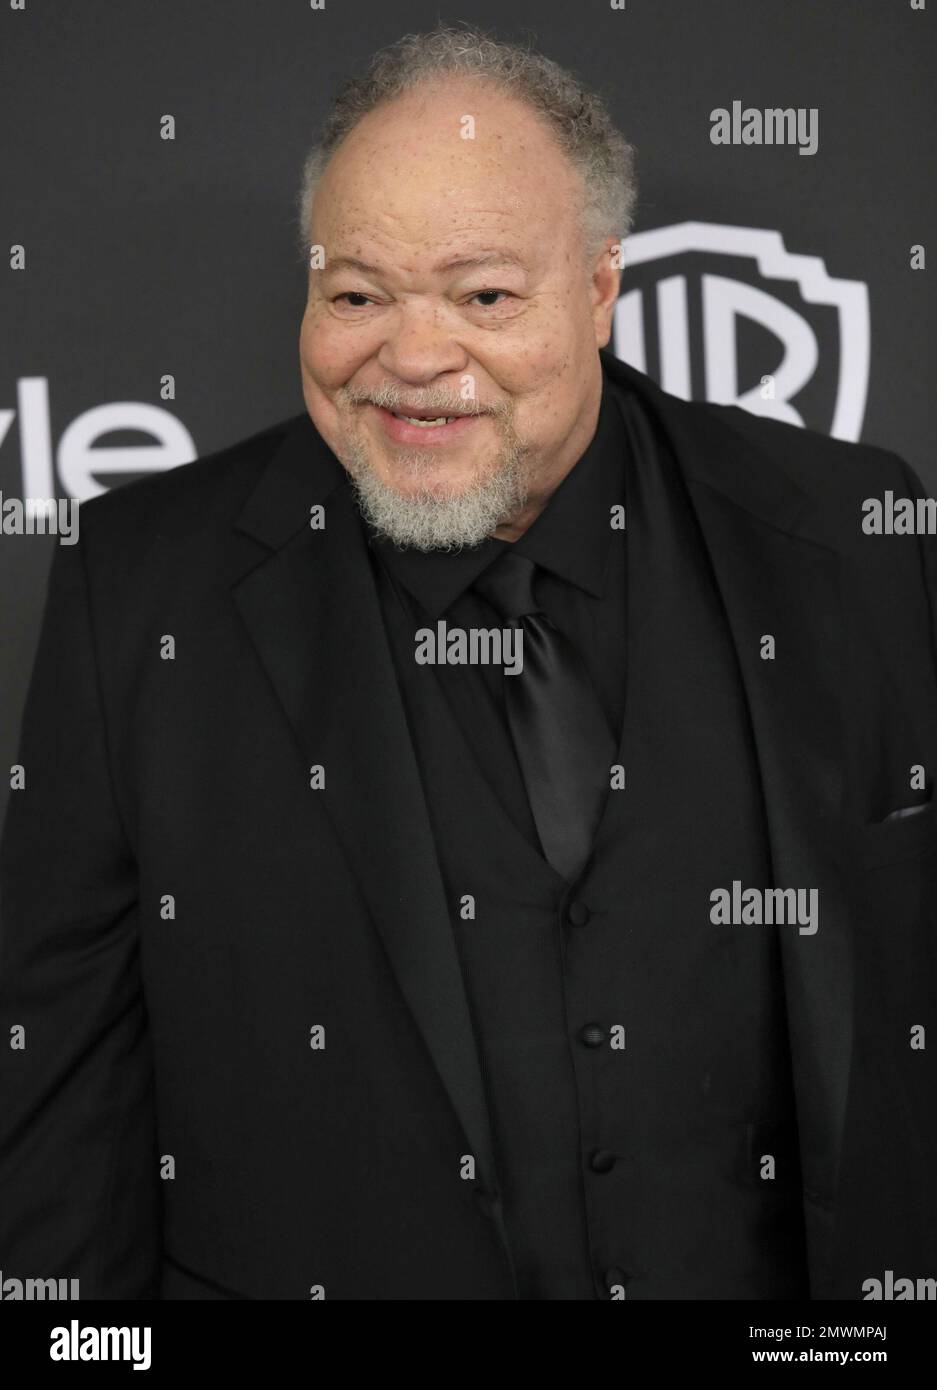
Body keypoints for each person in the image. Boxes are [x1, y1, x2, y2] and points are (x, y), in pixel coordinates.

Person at [1, 23, 935, 1301]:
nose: (414, 356)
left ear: (601, 287)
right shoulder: (139, 585)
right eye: (356, 294)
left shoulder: (850, 537)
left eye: (484, 296)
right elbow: (59, 1106)